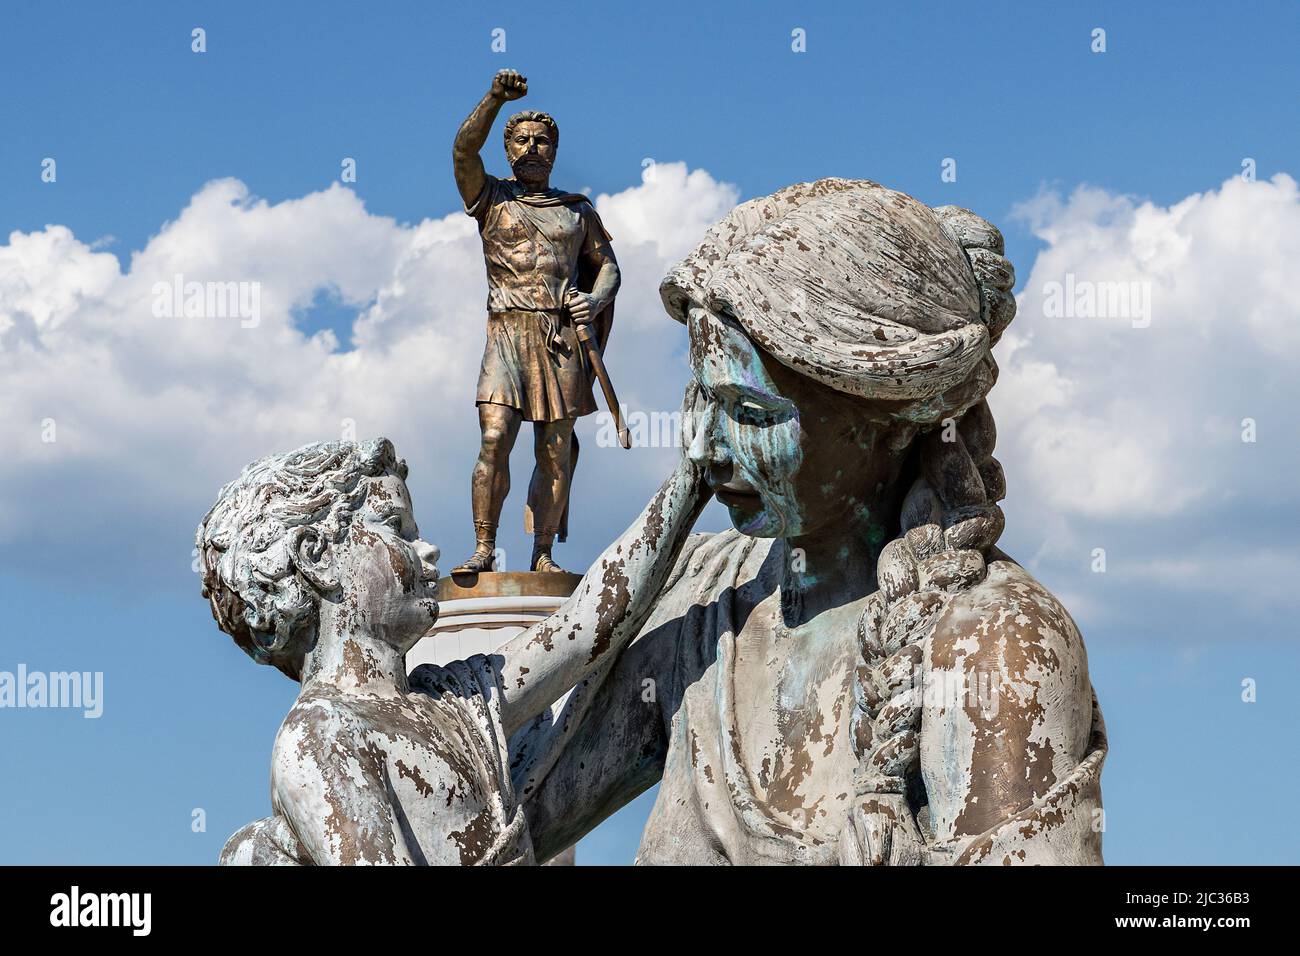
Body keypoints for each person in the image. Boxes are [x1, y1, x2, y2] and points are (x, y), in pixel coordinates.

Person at [514, 179, 1107, 865]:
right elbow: (488, 819)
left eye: (748, 410)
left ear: (889, 417)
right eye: (698, 396)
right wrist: (654, 543)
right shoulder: (704, 602)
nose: (702, 448)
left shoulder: (997, 645)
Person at [198, 437, 707, 864]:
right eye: (397, 529)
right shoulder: (320, 737)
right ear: (318, 560)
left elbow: (585, 624)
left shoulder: (451, 698)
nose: (429, 550)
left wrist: (694, 474)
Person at [451, 69, 621, 574]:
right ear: (508, 149)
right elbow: (463, 151)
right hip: (505, 333)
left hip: (558, 339)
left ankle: (543, 553)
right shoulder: (491, 199)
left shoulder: (576, 211)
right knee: (494, 436)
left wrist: (593, 300)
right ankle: (484, 548)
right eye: (521, 140)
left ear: (554, 150)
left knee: (553, 450)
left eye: (542, 141)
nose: (532, 148)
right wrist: (495, 98)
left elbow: (607, 266)